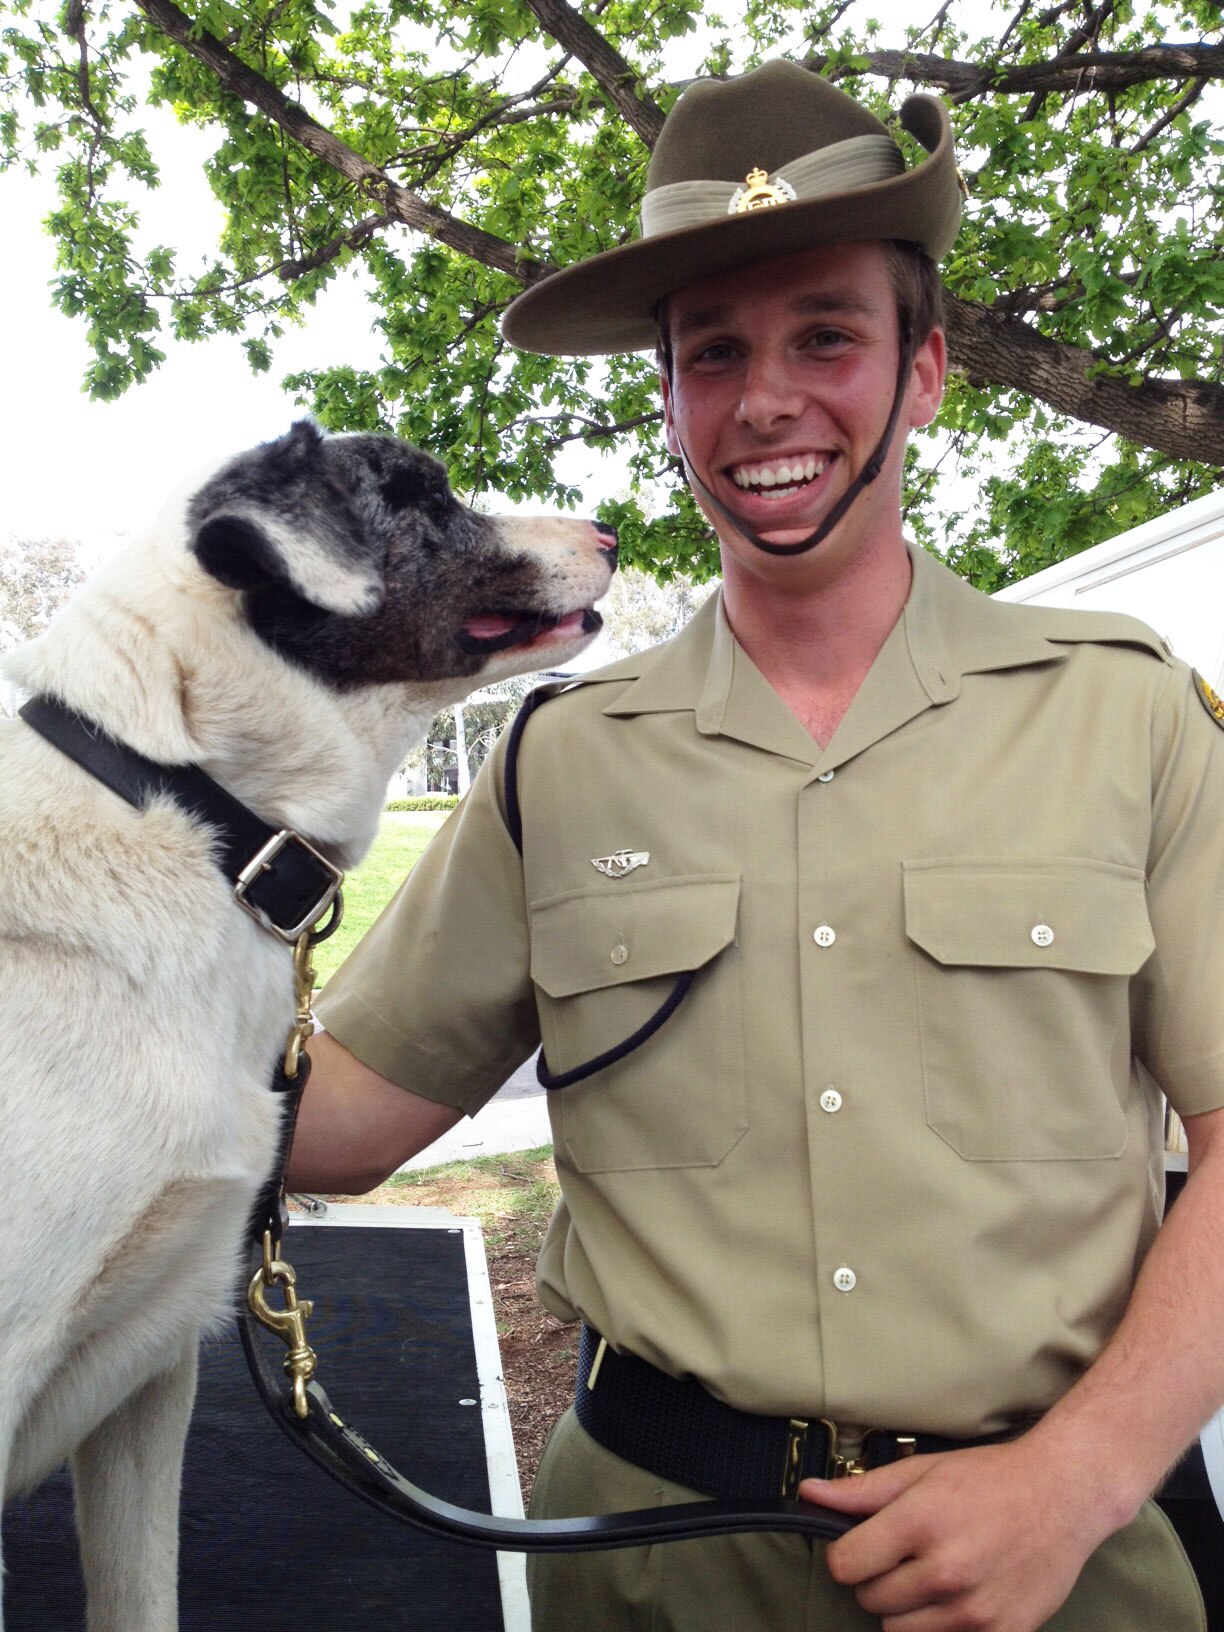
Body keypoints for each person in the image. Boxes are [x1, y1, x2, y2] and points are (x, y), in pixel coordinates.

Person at [288, 60, 1224, 1632]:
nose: (768, 398)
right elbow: (335, 1127)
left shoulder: (1121, 715)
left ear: (924, 374)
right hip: (647, 1561)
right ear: (669, 404)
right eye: (712, 352)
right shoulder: (562, 760)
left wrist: (1080, 1478)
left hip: (1055, 1557)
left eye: (827, 336)